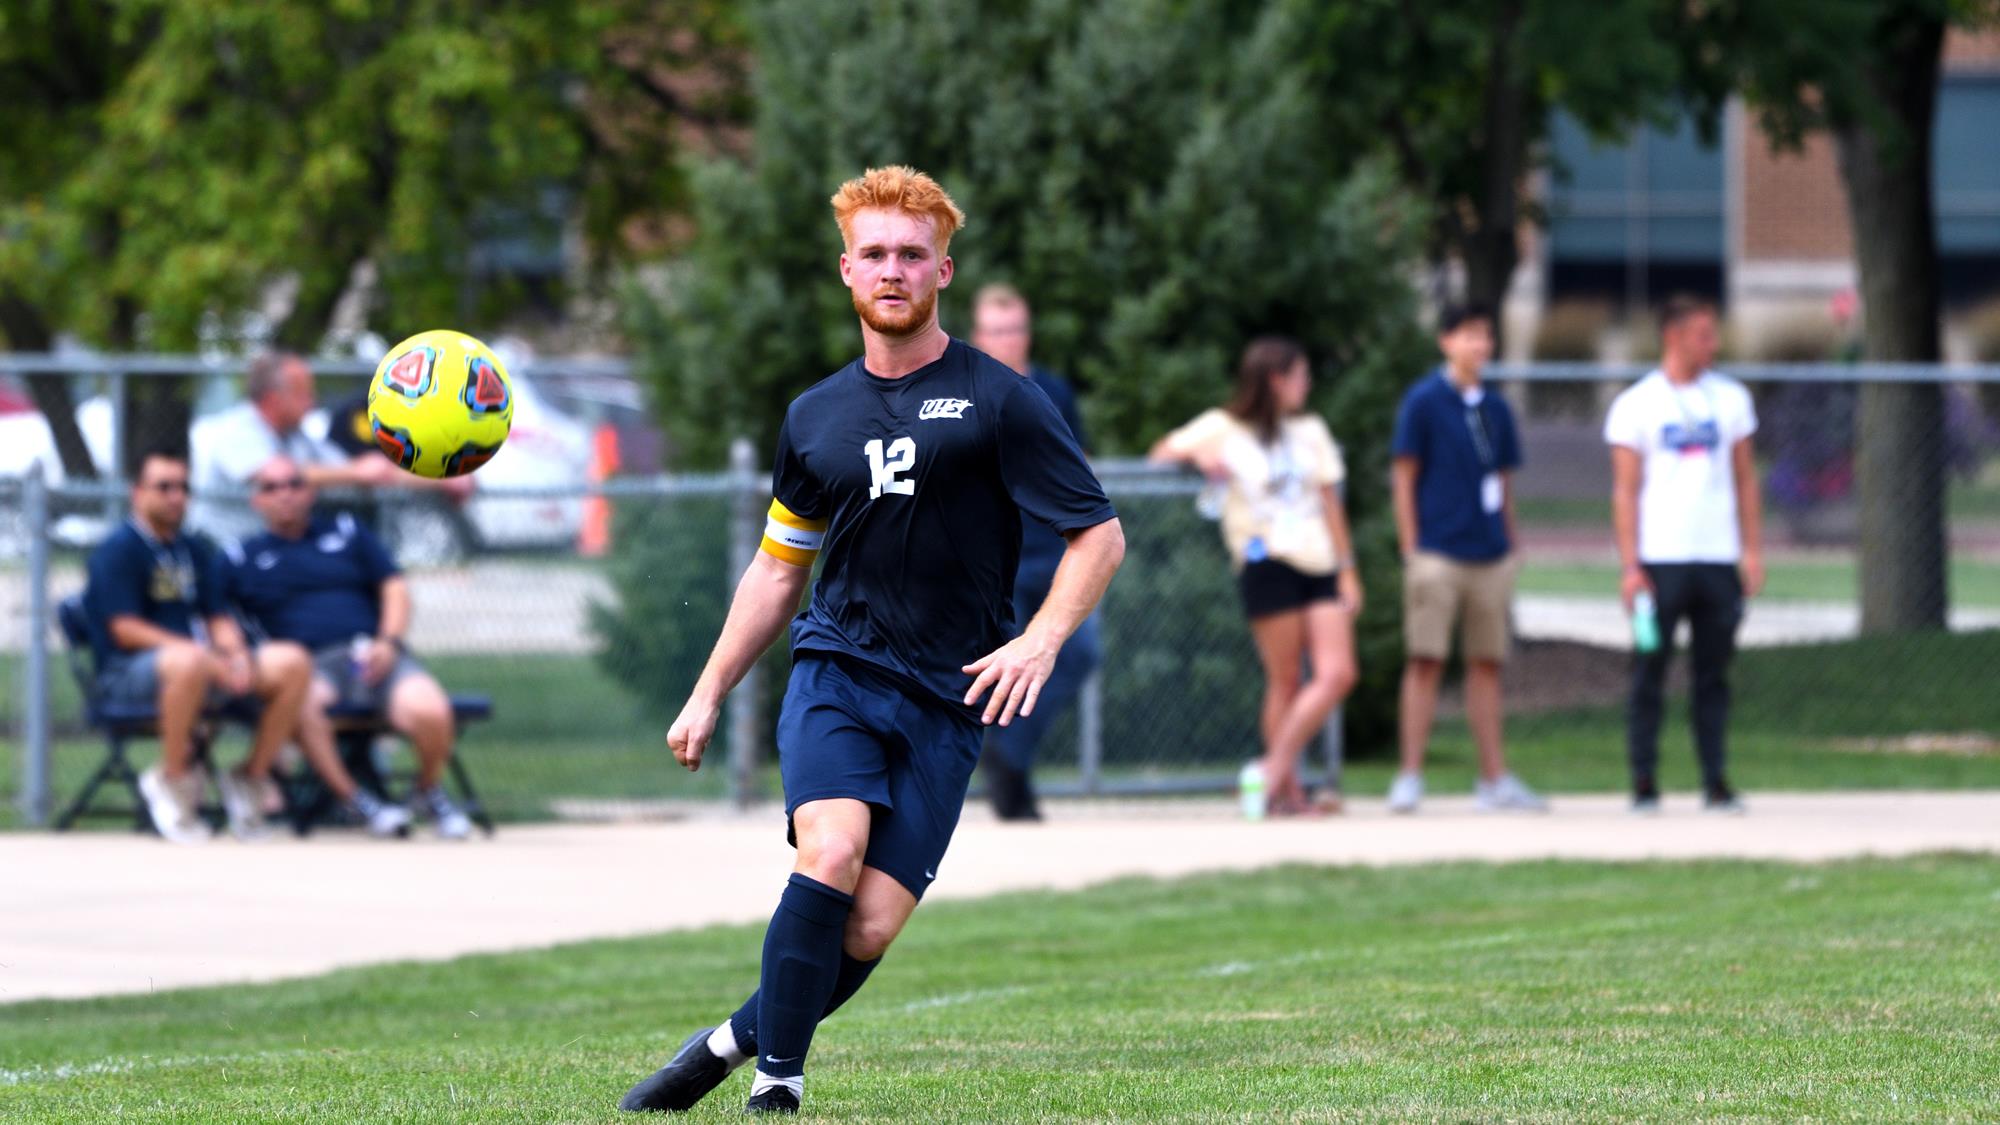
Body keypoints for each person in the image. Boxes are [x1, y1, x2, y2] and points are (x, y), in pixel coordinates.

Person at [617, 166, 1123, 1115]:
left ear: (944, 271)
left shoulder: (1000, 400)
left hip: (949, 696)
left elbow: (1100, 534)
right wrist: (709, 688)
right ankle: (778, 1083)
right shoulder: (814, 417)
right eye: (876, 254)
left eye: (913, 255)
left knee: (871, 926)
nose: (894, 270)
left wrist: (1043, 638)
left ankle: (726, 1042)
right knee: (831, 853)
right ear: (848, 270)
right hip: (837, 670)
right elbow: (777, 569)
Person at [1148, 337, 1361, 817]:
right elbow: (1160, 451)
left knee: (1337, 673)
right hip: (1266, 561)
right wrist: (1198, 459)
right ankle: (1288, 792)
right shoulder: (1224, 427)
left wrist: (1349, 571)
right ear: (1275, 380)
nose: (1307, 385)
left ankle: (1267, 771)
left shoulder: (1310, 430)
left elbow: (1331, 502)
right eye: (1300, 375)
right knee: (1284, 678)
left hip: (1320, 561)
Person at [223, 454, 473, 839]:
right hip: (312, 666)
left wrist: (389, 642)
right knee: (300, 701)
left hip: (375, 655)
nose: (285, 494)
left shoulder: (347, 533)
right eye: (271, 487)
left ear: (311, 492)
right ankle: (358, 801)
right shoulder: (241, 557)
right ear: (256, 500)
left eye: (294, 483)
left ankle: (427, 790)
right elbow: (218, 618)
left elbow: (394, 588)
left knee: (430, 709)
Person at [81, 451, 315, 842]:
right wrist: (205, 658)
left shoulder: (195, 548)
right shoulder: (118, 550)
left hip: (200, 666)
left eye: (183, 488)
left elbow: (217, 616)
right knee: (187, 661)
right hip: (128, 673)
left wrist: (235, 653)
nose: (176, 496)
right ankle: (173, 779)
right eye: (164, 487)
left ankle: (250, 777)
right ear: (137, 493)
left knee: (291, 662)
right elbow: (126, 630)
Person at [1604, 294, 1765, 815]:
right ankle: (1644, 780)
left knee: (1712, 674)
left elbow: (1745, 478)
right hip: (1660, 559)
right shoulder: (1637, 405)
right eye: (1702, 335)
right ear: (1672, 337)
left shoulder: (1732, 400)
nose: (1712, 345)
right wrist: (1631, 566)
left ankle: (1715, 780)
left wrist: (1751, 550)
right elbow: (1625, 491)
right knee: (1649, 672)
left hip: (1717, 558)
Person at [1388, 304, 1546, 814]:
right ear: (1446, 341)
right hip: (1438, 551)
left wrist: (1512, 543)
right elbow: (1404, 475)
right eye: (1469, 335)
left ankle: (1493, 779)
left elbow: (1503, 482)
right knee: (1426, 661)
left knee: (1487, 664)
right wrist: (1412, 545)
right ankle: (1410, 776)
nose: (1480, 345)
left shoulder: (1496, 409)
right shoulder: (1424, 401)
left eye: (1486, 337)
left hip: (1489, 553)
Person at [967, 282, 1101, 821]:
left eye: (1016, 329)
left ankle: (1008, 756)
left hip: (1053, 554)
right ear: (978, 336)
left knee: (1078, 654)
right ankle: (1010, 784)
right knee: (993, 670)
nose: (1008, 340)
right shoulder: (961, 390)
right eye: (997, 330)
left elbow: (1079, 466)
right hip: (990, 560)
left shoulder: (1053, 391)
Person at [191, 351, 468, 543]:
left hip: (276, 553)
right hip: (223, 553)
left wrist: (443, 478)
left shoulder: (296, 437)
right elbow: (279, 475)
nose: (312, 402)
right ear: (274, 399)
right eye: (304, 394)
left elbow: (370, 472)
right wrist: (356, 474)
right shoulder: (236, 430)